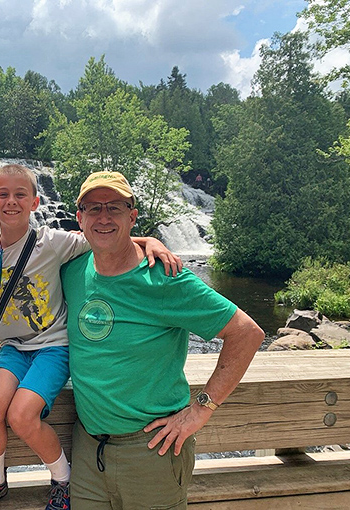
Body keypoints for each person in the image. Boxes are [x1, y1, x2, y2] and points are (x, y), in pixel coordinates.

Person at [0, 165, 182, 510]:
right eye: (3, 194)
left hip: (53, 346)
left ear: (35, 202)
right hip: (14, 348)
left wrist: (147, 240)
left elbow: (103, 235)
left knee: (21, 415)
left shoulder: (54, 241)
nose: (11, 201)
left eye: (20, 195)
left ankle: (64, 479)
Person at [60, 171, 265, 510]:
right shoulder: (72, 269)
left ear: (133, 216)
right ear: (80, 218)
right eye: (93, 208)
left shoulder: (165, 278)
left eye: (115, 207)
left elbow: (247, 333)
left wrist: (201, 409)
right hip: (87, 451)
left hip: (152, 451)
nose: (104, 216)